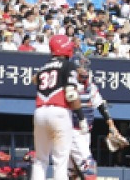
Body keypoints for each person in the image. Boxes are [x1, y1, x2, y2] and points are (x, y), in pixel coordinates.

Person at [32, 35, 81, 180]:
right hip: (59, 111)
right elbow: (71, 95)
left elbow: (34, 80)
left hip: (40, 111)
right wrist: (81, 117)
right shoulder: (68, 65)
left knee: (40, 159)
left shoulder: (43, 67)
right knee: (60, 160)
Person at [68, 55, 123, 179]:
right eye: (80, 67)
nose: (84, 70)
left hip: (84, 133)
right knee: (89, 168)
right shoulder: (69, 84)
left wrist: (111, 125)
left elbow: (100, 104)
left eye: (85, 67)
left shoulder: (90, 85)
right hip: (73, 131)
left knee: (72, 172)